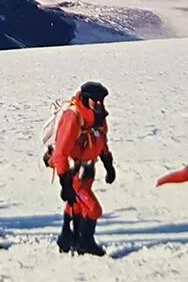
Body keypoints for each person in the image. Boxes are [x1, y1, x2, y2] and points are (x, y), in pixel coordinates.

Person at [50, 81, 114, 257]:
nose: (100, 104)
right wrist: (66, 184)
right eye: (96, 100)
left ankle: (67, 238)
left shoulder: (99, 117)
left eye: (102, 100)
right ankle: (85, 241)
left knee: (77, 206)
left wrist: (108, 163)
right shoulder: (73, 117)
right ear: (86, 99)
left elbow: (102, 140)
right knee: (93, 209)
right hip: (73, 172)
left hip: (87, 169)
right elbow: (60, 154)